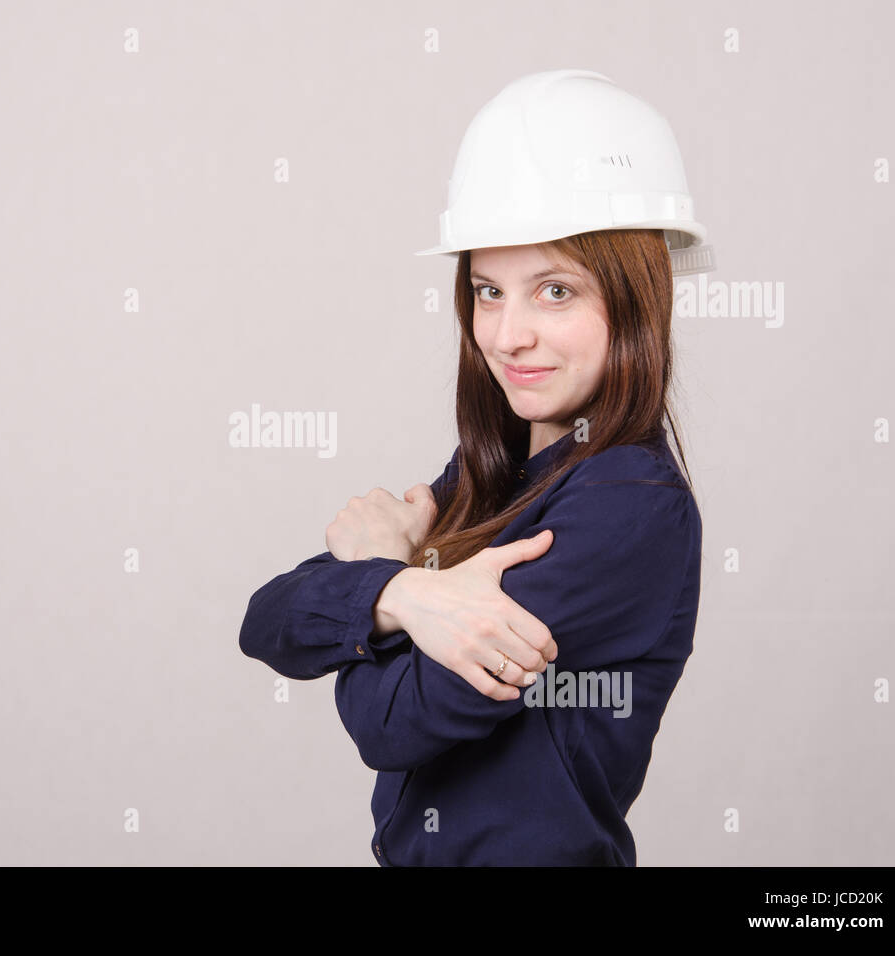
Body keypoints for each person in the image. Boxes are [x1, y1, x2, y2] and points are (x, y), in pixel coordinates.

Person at [238, 69, 715, 866]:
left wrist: (380, 574)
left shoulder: (628, 507)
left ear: (640, 301)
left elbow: (391, 723)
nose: (506, 335)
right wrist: (405, 595)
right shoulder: (496, 470)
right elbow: (269, 622)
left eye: (555, 291)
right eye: (489, 291)